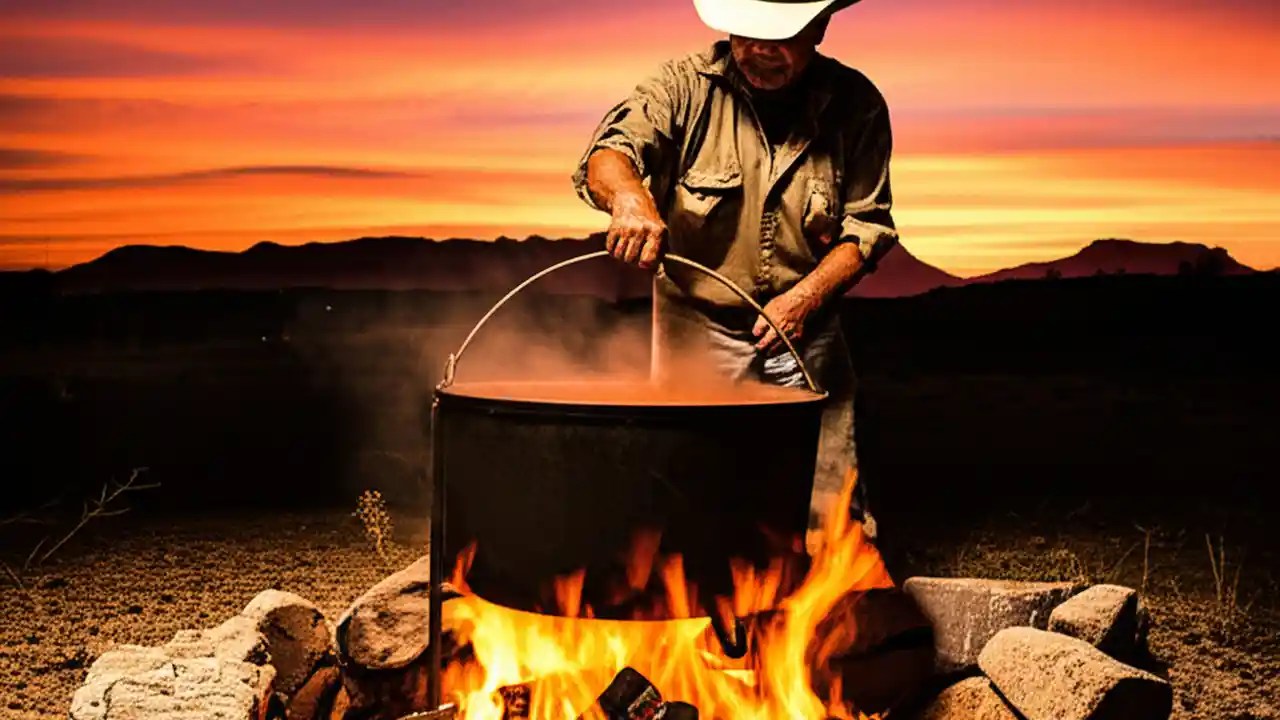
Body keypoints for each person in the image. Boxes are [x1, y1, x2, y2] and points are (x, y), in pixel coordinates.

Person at [571, 0, 897, 549]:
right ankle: (704, 622)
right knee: (690, 497)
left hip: (806, 333)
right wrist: (629, 198)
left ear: (819, 28)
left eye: (781, 37)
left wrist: (807, 298)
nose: (759, 50)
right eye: (747, 33)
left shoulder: (857, 106)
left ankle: (826, 620)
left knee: (829, 505)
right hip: (694, 327)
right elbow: (609, 153)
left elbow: (867, 229)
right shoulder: (681, 88)